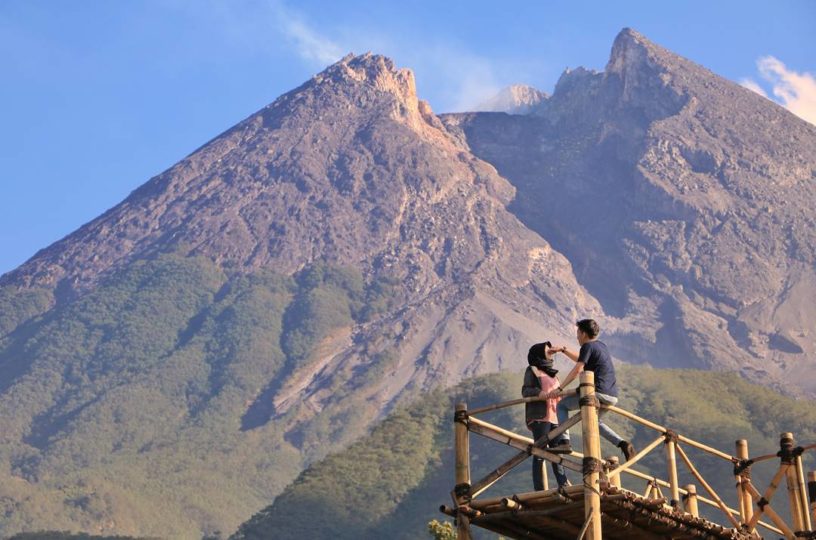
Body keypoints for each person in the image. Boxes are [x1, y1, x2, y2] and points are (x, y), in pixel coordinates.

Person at [547, 319, 636, 461]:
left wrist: (560, 388)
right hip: (611, 395)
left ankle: (564, 442)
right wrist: (564, 350)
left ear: (583, 333)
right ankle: (623, 443)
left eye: (578, 332)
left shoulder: (587, 346)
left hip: (596, 393)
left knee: (562, 405)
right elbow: (581, 359)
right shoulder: (601, 346)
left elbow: (578, 369)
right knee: (595, 421)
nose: (577, 336)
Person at [522, 341, 570, 491]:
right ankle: (539, 489)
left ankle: (563, 484)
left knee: (557, 451)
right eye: (547, 351)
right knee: (540, 452)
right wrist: (539, 393)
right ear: (539, 354)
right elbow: (525, 391)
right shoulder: (532, 370)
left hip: (556, 417)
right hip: (540, 417)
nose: (550, 353)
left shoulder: (553, 374)